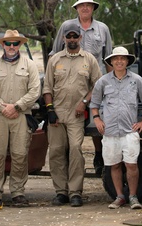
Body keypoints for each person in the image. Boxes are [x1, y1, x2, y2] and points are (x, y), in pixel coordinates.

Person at [51, 0, 113, 176]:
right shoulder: (67, 27)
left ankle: (100, 157)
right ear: (76, 8)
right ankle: (69, 162)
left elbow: (109, 59)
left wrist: (111, 86)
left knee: (97, 123)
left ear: (93, 8)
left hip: (96, 82)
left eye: (88, 5)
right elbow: (54, 54)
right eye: (82, 5)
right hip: (70, 81)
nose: (85, 8)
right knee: (70, 126)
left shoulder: (103, 29)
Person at [43, 22, 102, 207]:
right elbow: (47, 87)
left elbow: (98, 85)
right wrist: (50, 109)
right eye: (68, 37)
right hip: (57, 114)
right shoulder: (55, 60)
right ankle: (61, 192)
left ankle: (75, 192)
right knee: (56, 151)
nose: (72, 39)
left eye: (75, 36)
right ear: (63, 39)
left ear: (80, 38)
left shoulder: (89, 59)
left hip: (77, 114)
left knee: (76, 149)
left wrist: (84, 103)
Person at [0, 30, 41, 208]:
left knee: (20, 154)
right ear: (3, 45)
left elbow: (34, 91)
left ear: (20, 45)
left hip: (21, 115)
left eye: (15, 43)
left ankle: (18, 192)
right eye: (8, 43)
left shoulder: (29, 65)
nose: (12, 47)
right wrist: (3, 107)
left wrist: (16, 106)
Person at [90, 46, 142, 210]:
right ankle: (119, 196)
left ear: (127, 61)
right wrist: (97, 120)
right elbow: (94, 104)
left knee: (131, 165)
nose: (119, 61)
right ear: (111, 61)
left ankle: (133, 196)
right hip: (109, 132)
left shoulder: (137, 80)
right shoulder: (103, 81)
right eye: (116, 59)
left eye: (122, 58)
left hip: (129, 132)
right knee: (114, 165)